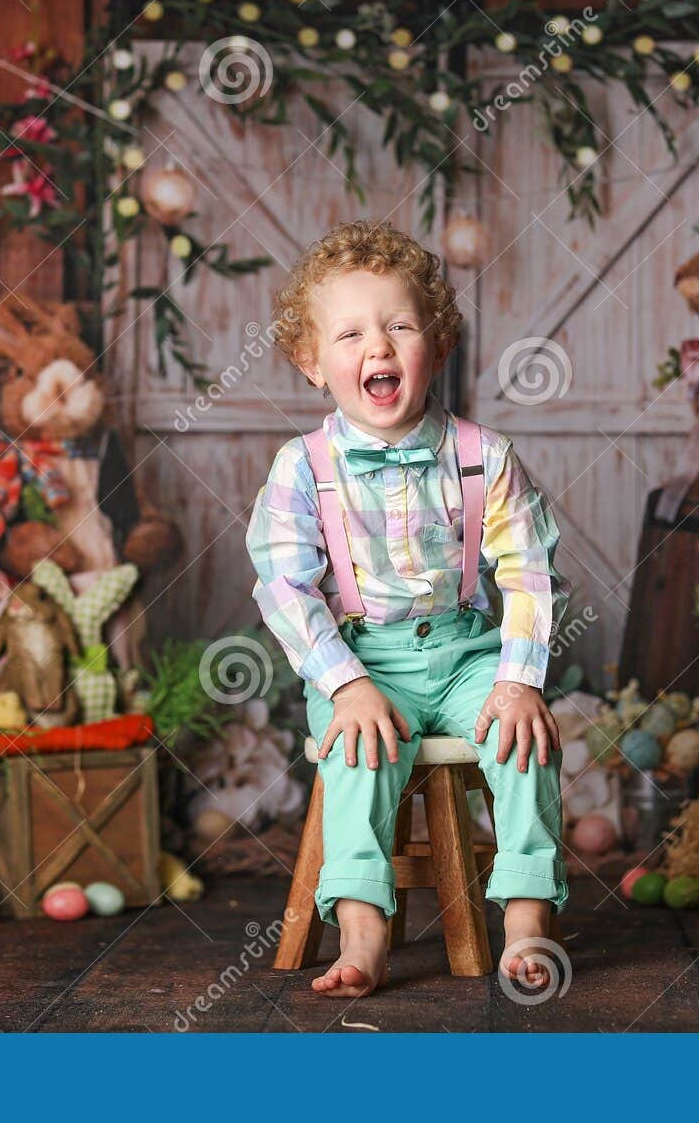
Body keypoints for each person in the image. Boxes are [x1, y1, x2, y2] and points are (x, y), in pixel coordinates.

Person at [247, 220, 570, 997]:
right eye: (351, 333)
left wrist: (517, 679)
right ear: (311, 362)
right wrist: (346, 685)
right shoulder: (302, 468)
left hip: (465, 653)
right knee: (361, 751)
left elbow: (528, 573)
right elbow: (284, 588)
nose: (379, 349)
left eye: (399, 326)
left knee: (522, 737)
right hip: (363, 661)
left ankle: (526, 919)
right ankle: (364, 931)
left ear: (437, 341)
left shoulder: (483, 455)